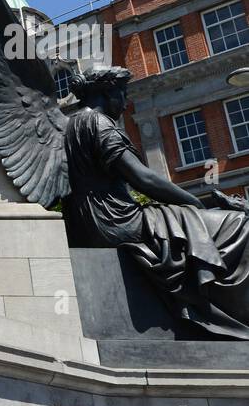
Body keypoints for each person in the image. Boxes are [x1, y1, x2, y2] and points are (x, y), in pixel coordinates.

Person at [66, 66, 249, 339]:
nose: (125, 103)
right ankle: (225, 312)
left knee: (199, 226)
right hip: (117, 219)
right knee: (237, 224)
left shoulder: (71, 122)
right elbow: (144, 179)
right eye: (122, 93)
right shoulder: (99, 123)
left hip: (91, 218)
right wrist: (194, 205)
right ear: (107, 92)